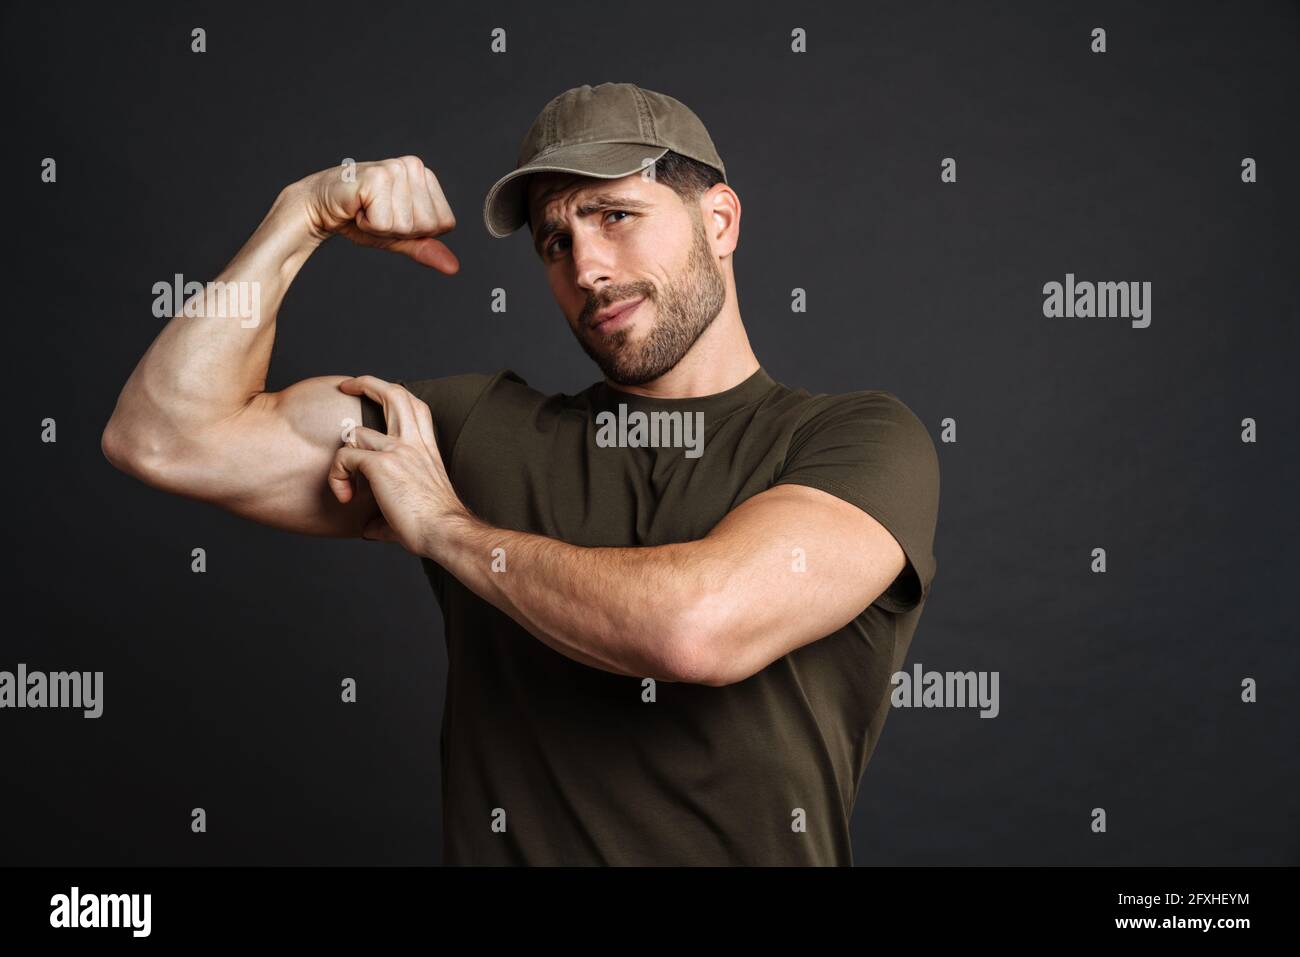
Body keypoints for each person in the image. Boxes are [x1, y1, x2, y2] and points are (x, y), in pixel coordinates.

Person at [102, 82, 941, 865]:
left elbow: (695, 628)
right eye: (556, 240)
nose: (587, 269)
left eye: (616, 215)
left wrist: (446, 530)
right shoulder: (473, 434)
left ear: (719, 221)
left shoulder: (855, 439)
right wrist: (301, 216)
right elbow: (166, 435)